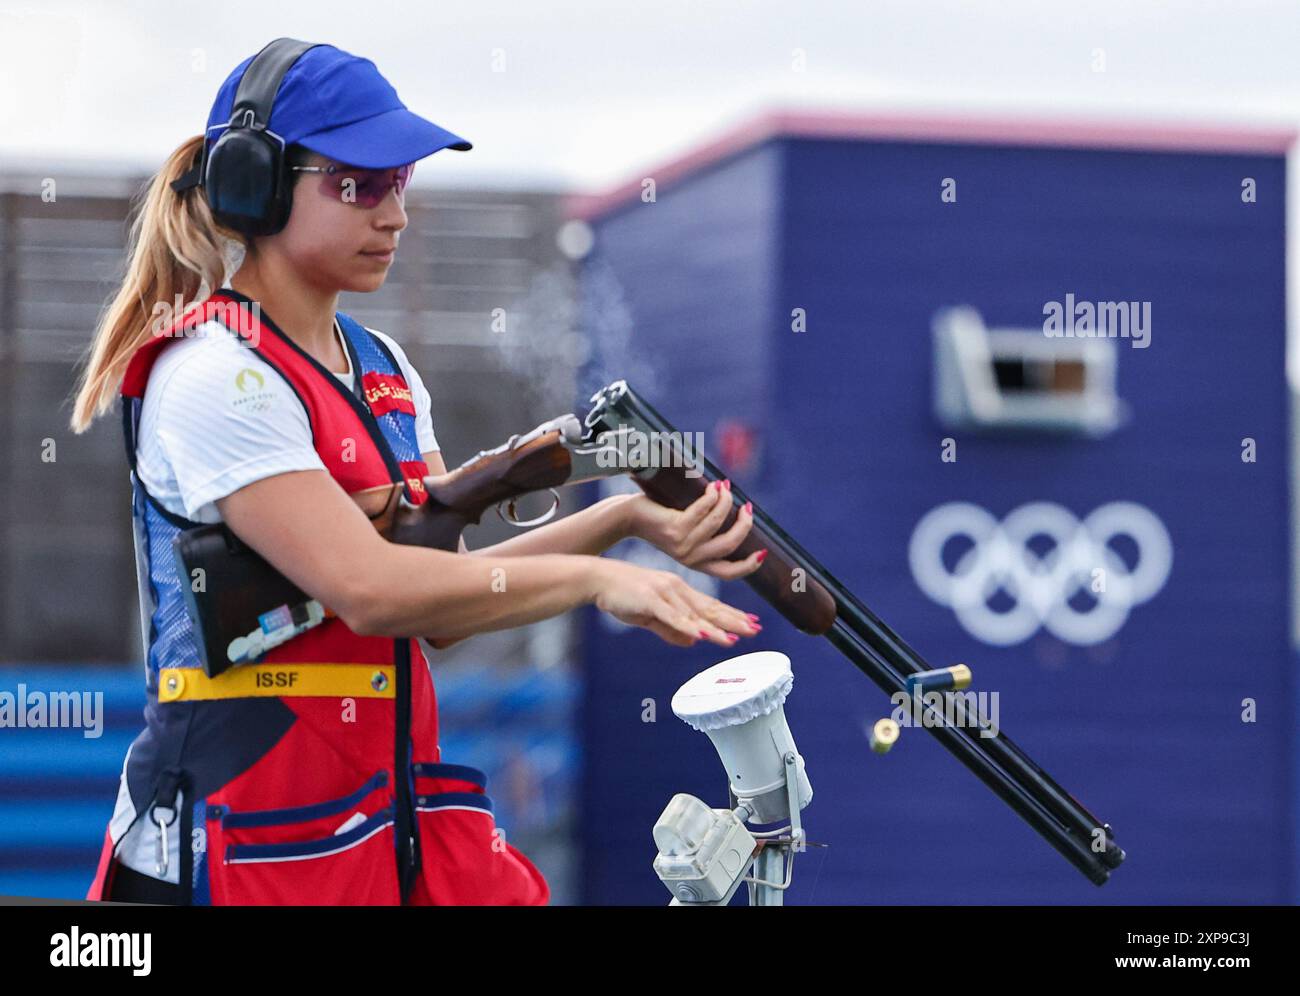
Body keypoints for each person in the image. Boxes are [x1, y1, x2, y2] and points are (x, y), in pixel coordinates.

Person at [67, 40, 763, 906]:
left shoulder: (382, 364)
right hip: (234, 838)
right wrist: (592, 579)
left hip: (362, 829)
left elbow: (447, 597)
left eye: (401, 183)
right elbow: (374, 591)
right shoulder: (218, 372)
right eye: (358, 184)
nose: (394, 213)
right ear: (259, 183)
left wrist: (619, 523)